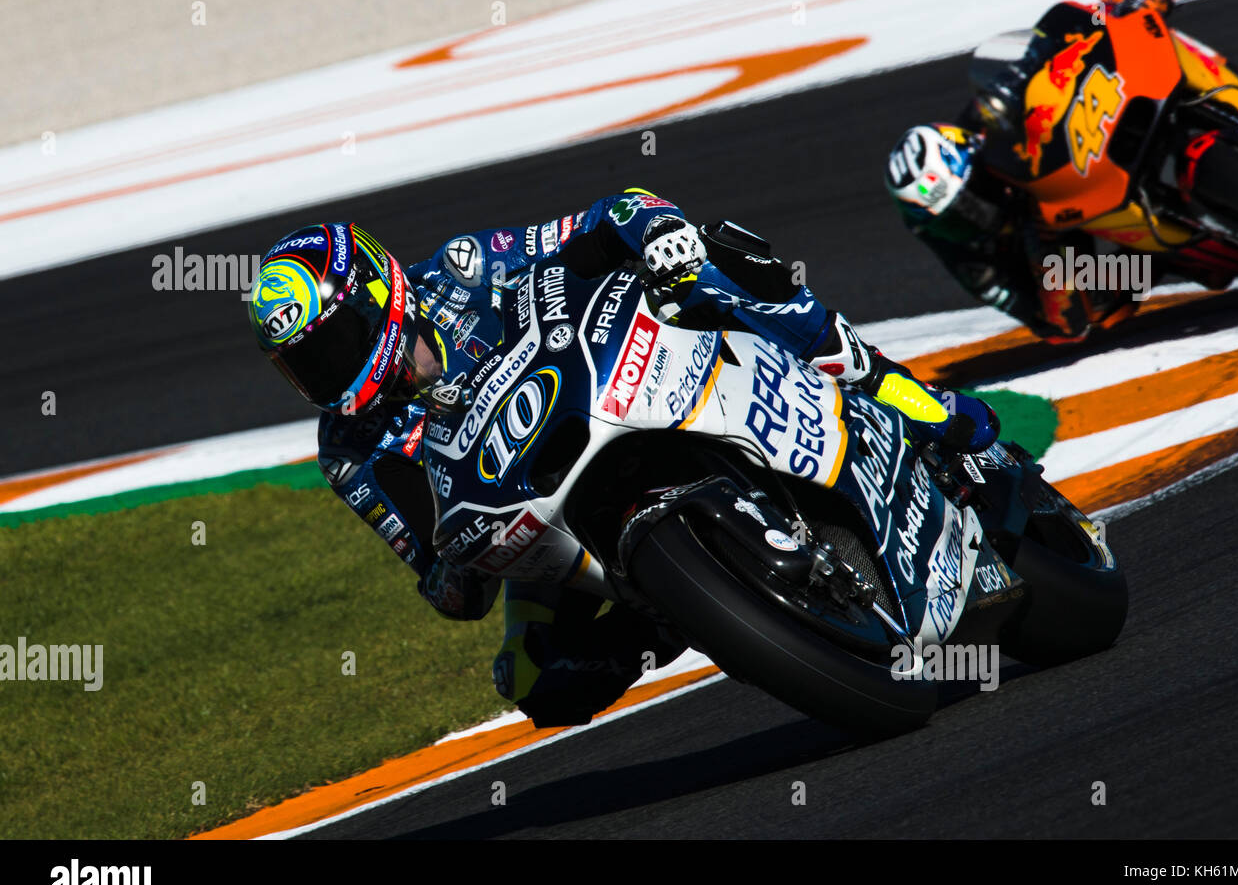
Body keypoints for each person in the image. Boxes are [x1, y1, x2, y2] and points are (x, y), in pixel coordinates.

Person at [247, 189, 999, 727]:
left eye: (331, 345)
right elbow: (445, 586)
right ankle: (676, 612)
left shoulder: (466, 268)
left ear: (379, 294)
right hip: (538, 510)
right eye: (303, 366)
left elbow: (606, 218)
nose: (325, 374)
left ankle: (905, 396)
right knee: (533, 678)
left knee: (719, 258)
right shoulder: (349, 450)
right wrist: (461, 565)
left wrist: (659, 233)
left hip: (619, 386)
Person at [884, 0, 1238, 343]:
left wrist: (1114, 11)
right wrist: (1042, 249)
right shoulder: (968, 258)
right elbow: (1055, 324)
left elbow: (1044, 47)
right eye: (952, 220)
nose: (970, 220)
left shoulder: (985, 126)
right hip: (1055, 239)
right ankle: (1189, 249)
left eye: (965, 206)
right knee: (1095, 307)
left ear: (970, 163)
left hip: (1072, 170)